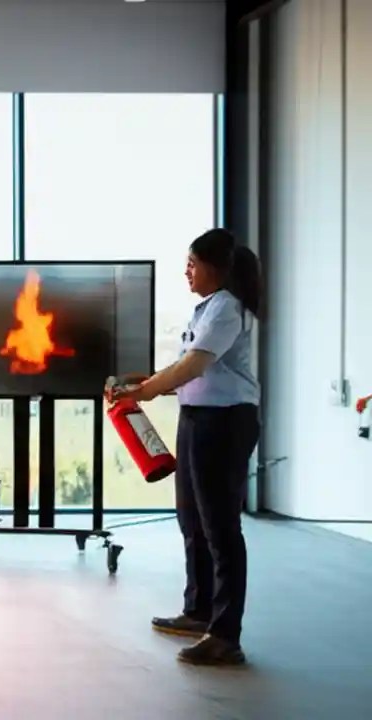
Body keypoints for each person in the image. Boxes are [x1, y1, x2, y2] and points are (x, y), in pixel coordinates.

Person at [107, 228, 262, 666]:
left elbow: (195, 365)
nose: (186, 271)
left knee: (220, 528)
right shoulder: (207, 310)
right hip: (197, 419)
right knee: (192, 519)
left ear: (216, 268)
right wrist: (144, 383)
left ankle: (225, 634)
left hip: (225, 422)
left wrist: (149, 390)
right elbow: (183, 367)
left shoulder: (227, 309)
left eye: (193, 263)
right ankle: (198, 612)